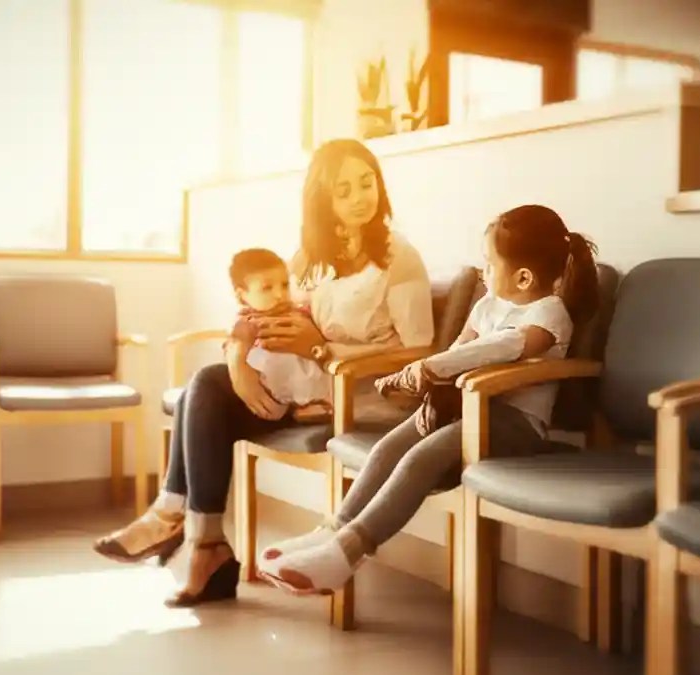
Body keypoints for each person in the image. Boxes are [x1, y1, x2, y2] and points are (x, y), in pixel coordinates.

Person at [92, 139, 434, 607]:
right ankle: (200, 539)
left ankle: (189, 532)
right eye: (344, 189)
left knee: (203, 391)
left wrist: (319, 347)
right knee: (208, 385)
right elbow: (259, 310)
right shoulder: (311, 254)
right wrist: (238, 362)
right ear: (322, 199)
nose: (360, 197)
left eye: (367, 182)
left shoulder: (399, 258)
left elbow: (420, 350)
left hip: (356, 395)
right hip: (297, 389)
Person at [258, 204, 600, 594]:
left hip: (516, 424)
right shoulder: (487, 304)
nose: (482, 272)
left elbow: (509, 346)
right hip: (466, 414)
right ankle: (331, 531)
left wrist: (432, 366)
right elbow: (460, 349)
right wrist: (425, 386)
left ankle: (347, 553)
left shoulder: (551, 314)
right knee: (388, 449)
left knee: (422, 457)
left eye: (489, 264)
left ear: (523, 277)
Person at [228, 248, 332, 423]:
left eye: (284, 285)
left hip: (305, 372)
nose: (279, 295)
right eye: (266, 288)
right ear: (242, 295)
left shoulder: (298, 311)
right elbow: (235, 346)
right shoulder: (247, 321)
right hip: (266, 386)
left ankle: (312, 404)